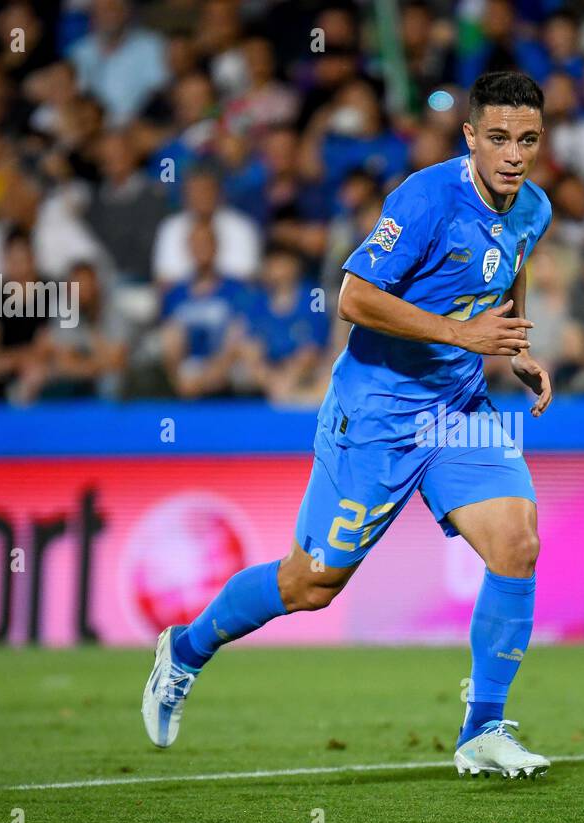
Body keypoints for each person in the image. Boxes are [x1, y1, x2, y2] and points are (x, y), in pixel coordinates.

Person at [142, 72, 556, 780]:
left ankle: (482, 729)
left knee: (517, 545)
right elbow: (355, 297)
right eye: (497, 138)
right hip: (376, 418)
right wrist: (467, 337)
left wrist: (515, 349)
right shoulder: (426, 200)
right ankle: (185, 650)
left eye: (527, 140)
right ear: (470, 137)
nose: (513, 154)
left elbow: (505, 272)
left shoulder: (534, 208)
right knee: (311, 584)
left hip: (458, 413)